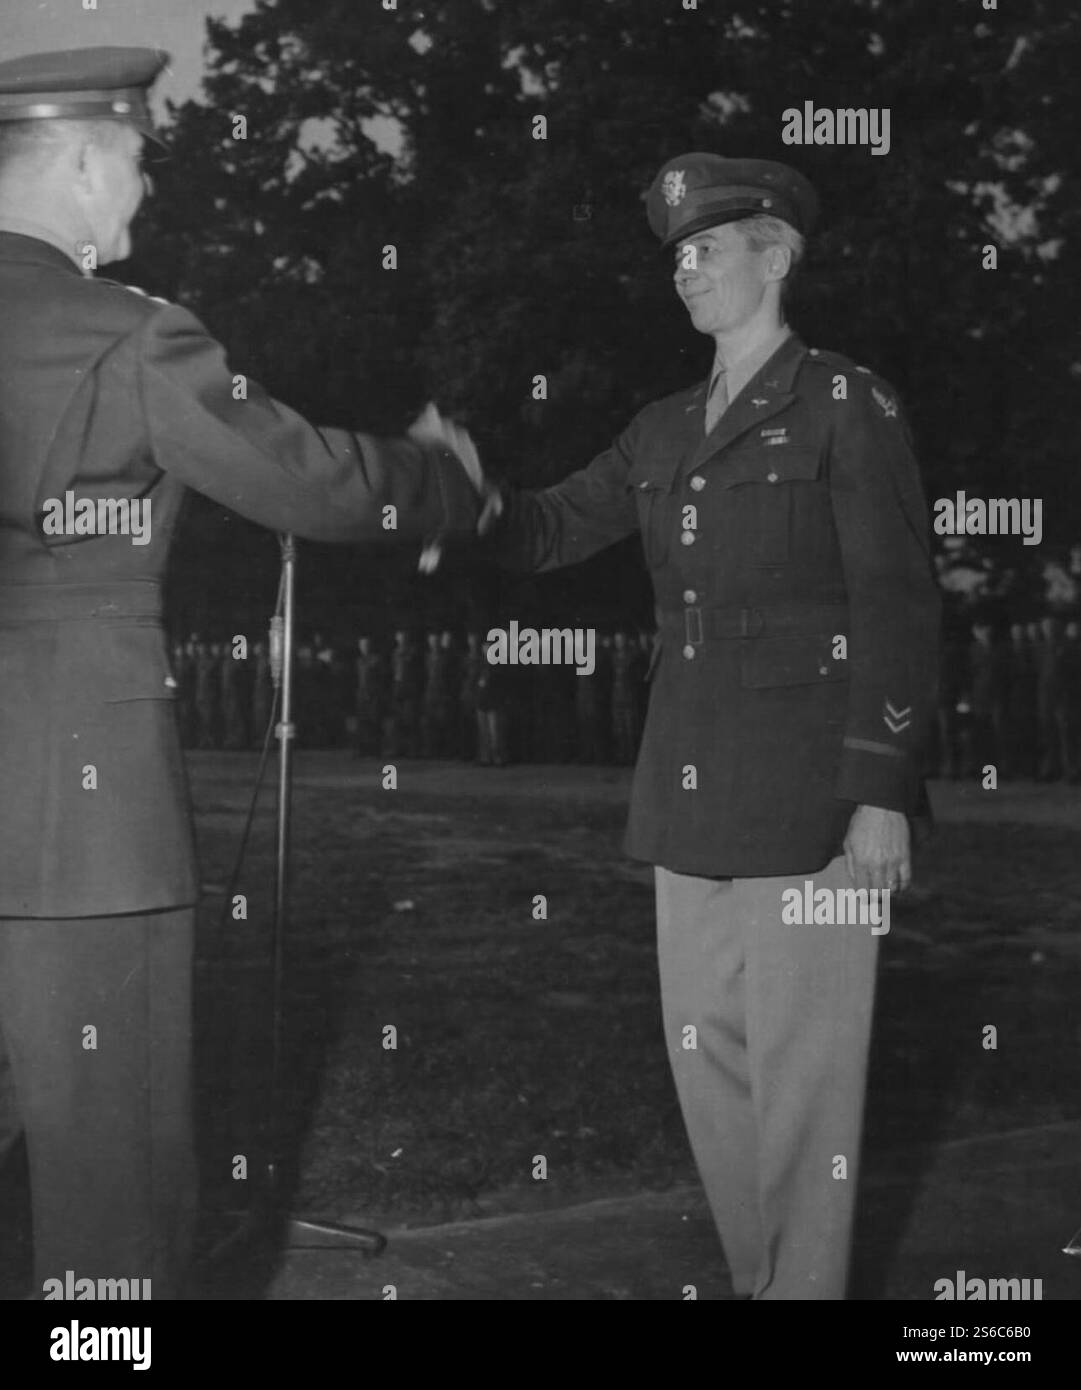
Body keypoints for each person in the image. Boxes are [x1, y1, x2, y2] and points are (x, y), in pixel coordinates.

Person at [0, 46, 484, 1300]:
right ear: (89, 163)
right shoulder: (126, 336)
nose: (143, 195)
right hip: (79, 828)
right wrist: (438, 479)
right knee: (111, 1183)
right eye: (140, 165)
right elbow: (308, 477)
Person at [465, 153, 940, 1298]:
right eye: (674, 255)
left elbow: (895, 597)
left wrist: (882, 790)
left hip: (812, 794)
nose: (685, 269)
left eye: (708, 248)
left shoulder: (845, 403)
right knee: (709, 1065)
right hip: (686, 789)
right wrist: (456, 493)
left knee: (806, 1081)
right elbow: (542, 528)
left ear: (775, 255)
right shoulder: (662, 427)